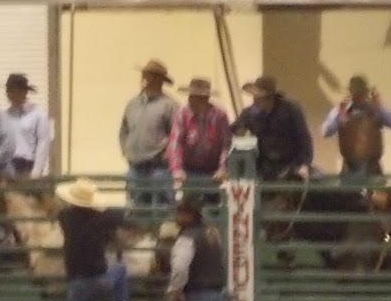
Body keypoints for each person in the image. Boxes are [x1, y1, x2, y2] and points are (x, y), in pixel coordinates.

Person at [230, 76, 315, 181]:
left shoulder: (291, 111)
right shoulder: (251, 112)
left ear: (270, 98)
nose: (255, 100)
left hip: (291, 165)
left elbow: (304, 140)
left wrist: (304, 165)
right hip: (265, 167)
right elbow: (235, 128)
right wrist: (238, 131)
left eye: (259, 98)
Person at [120, 59, 177, 213]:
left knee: (161, 207)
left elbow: (176, 136)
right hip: (135, 166)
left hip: (158, 167)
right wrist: (126, 149)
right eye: (144, 74)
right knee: (134, 207)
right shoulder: (132, 104)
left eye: (149, 75)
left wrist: (166, 155)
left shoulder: (169, 105)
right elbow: (124, 130)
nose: (144, 78)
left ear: (159, 80)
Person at [170, 78, 232, 206]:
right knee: (188, 207)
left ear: (206, 98)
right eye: (191, 96)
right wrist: (177, 168)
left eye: (197, 97)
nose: (191, 100)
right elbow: (176, 143)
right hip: (189, 170)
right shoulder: (182, 114)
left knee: (213, 206)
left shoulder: (219, 116)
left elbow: (225, 145)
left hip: (213, 171)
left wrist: (222, 168)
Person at [0, 73, 53, 178]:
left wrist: (36, 172)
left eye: (16, 91)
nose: (12, 95)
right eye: (10, 91)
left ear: (25, 92)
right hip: (6, 168)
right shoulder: (4, 116)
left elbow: (43, 145)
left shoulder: (38, 116)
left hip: (26, 167)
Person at [320, 74, 391, 139]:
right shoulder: (343, 108)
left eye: (361, 91)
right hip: (349, 155)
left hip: (373, 155)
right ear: (350, 92)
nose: (358, 95)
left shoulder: (375, 108)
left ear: (366, 92)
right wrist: (339, 114)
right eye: (355, 92)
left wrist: (379, 106)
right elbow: (325, 132)